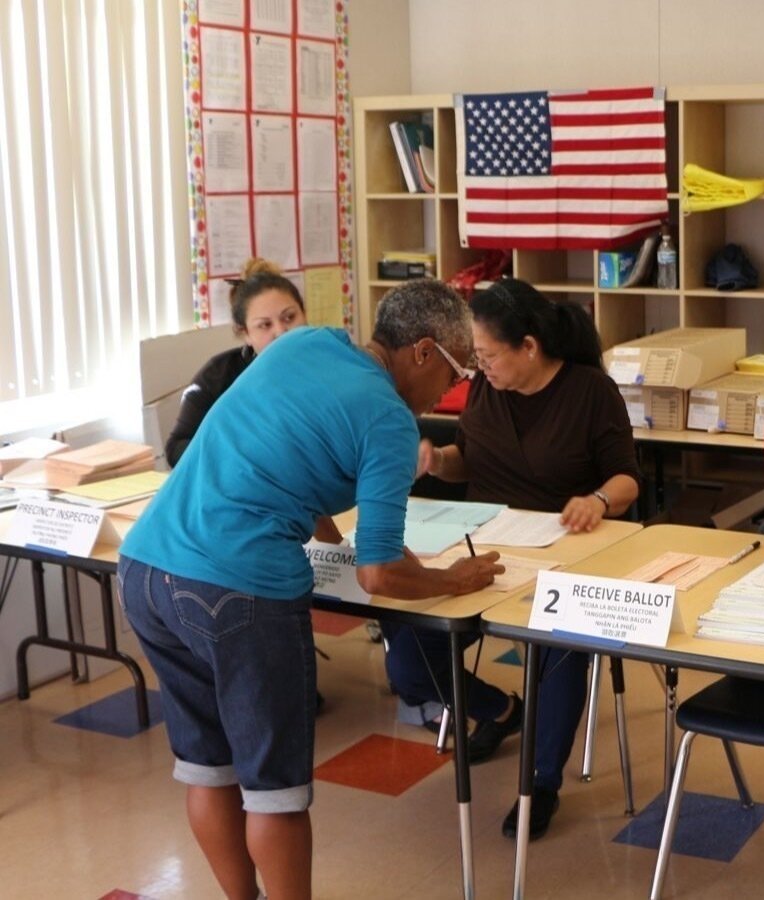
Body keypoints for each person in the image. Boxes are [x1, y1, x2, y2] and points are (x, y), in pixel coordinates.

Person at [117, 278, 504, 900]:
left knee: (208, 771)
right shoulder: (389, 420)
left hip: (145, 570)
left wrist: (355, 546)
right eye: (456, 374)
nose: (449, 392)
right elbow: (380, 576)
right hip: (238, 590)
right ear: (425, 352)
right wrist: (448, 579)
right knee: (275, 794)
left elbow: (291, 462)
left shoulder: (304, 345)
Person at [418, 278, 641, 840]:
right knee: (409, 653)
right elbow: (469, 459)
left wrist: (595, 500)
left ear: (530, 348)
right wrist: (435, 461)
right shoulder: (488, 389)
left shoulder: (590, 391)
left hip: (567, 552)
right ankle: (498, 710)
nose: (479, 367)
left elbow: (627, 480)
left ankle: (541, 782)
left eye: (489, 355)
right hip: (488, 547)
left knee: (557, 648)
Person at [165, 258, 307, 466]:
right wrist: (237, 451)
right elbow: (177, 449)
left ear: (305, 314)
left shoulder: (332, 366)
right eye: (265, 325)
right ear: (245, 333)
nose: (281, 331)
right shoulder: (218, 376)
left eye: (289, 317)